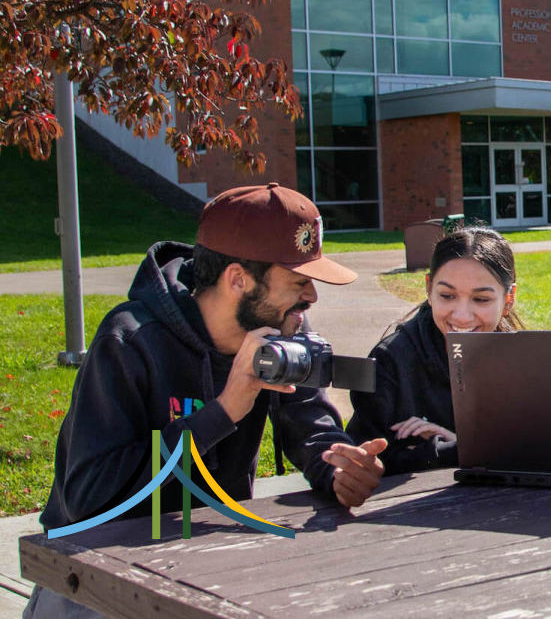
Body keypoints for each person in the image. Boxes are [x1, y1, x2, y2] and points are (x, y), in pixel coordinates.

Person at [26, 183, 390, 618]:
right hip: (89, 572)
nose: (312, 296)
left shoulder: (282, 331)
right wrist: (223, 411)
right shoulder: (130, 341)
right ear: (238, 279)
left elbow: (312, 428)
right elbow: (89, 496)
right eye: (298, 282)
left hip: (207, 560)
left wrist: (339, 469)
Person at [346, 227, 522, 475]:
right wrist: (453, 450)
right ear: (429, 289)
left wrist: (454, 443)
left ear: (508, 299)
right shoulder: (389, 361)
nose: (462, 316)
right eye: (447, 295)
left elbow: (537, 447)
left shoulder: (523, 361)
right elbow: (373, 463)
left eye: (481, 299)